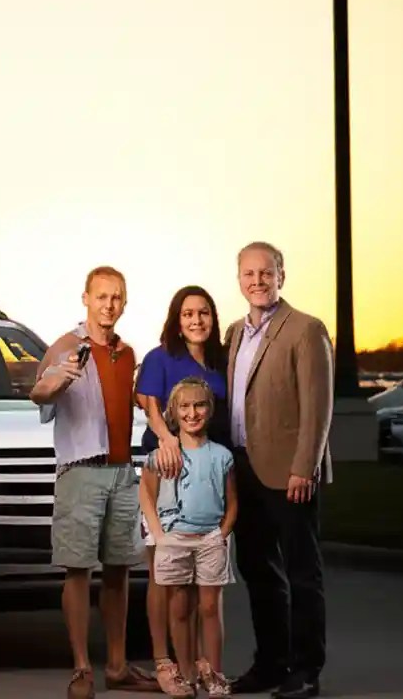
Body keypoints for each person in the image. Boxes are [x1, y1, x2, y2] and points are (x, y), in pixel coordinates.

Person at [31, 266, 160, 699]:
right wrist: (56, 381)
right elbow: (39, 393)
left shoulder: (127, 354)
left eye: (117, 297)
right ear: (85, 298)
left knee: (120, 570)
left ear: (124, 303)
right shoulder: (65, 348)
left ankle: (119, 666)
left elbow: (138, 403)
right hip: (80, 471)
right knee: (78, 569)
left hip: (123, 473)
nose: (109, 305)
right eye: (101, 296)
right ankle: (82, 667)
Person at [224, 241, 333, 699]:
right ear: (239, 280)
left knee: (302, 573)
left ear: (281, 275)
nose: (257, 281)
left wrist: (303, 467)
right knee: (258, 570)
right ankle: (270, 663)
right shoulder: (233, 333)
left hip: (290, 473)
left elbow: (318, 405)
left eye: (266, 273)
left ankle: (306, 671)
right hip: (244, 467)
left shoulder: (306, 329)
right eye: (249, 274)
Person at [134, 286, 230, 693]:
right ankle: (164, 663)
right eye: (188, 313)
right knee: (165, 576)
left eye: (204, 312)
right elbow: (146, 398)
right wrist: (165, 438)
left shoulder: (222, 361)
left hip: (209, 473)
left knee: (206, 581)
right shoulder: (161, 357)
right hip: (167, 467)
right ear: (177, 319)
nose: (196, 320)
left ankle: (202, 666)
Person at [140, 376, 237, 699]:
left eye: (199, 405)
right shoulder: (163, 455)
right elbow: (147, 493)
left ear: (209, 410)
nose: (192, 413)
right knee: (179, 607)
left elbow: (232, 501)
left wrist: (221, 534)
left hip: (210, 538)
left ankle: (215, 672)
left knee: (209, 607)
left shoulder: (222, 455)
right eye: (184, 406)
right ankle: (186, 674)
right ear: (173, 411)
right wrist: (159, 535)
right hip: (174, 538)